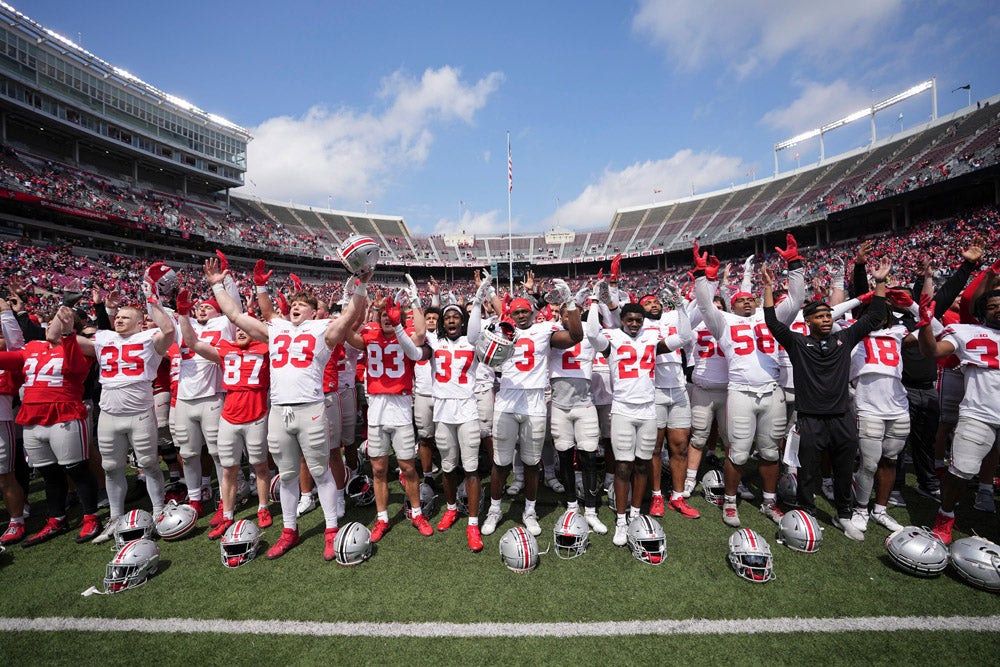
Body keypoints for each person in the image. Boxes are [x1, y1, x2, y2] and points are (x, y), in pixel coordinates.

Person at [205, 258, 364, 560]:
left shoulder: (321, 329)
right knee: (288, 474)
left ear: (314, 312)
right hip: (279, 411)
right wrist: (217, 285)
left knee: (320, 471)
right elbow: (236, 315)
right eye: (293, 304)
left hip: (310, 409)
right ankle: (289, 531)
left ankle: (331, 530)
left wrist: (362, 284)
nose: (295, 307)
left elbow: (349, 316)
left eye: (302, 305)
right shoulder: (275, 328)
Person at [763, 254, 891, 540]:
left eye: (828, 316)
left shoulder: (844, 339)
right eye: (819, 316)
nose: (825, 320)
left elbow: (873, 316)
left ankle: (843, 514)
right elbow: (772, 322)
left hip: (842, 417)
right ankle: (807, 514)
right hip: (810, 419)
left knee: (845, 468)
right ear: (807, 321)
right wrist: (769, 287)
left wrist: (880, 282)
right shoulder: (797, 342)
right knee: (808, 470)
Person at [694, 236, 804, 528]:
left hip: (772, 392)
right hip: (741, 392)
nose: (744, 301)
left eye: (749, 299)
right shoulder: (724, 322)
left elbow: (796, 300)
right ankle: (730, 502)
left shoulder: (770, 317)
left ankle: (769, 501)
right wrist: (706, 278)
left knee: (770, 452)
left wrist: (795, 266)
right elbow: (705, 306)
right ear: (733, 303)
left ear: (757, 301)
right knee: (739, 452)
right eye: (740, 299)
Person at [584, 294, 691, 547]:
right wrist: (592, 302)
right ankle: (621, 519)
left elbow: (684, 338)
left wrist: (683, 307)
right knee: (623, 467)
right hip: (622, 409)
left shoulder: (652, 339)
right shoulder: (612, 338)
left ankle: (634, 513)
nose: (634, 323)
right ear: (622, 320)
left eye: (638, 320)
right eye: (630, 319)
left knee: (643, 465)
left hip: (647, 410)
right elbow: (591, 334)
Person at [481, 279, 583, 538]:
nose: (521, 316)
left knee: (531, 462)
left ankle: (529, 510)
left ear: (532, 312)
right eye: (516, 312)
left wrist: (570, 303)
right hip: (506, 401)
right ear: (510, 315)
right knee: (500, 462)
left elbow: (575, 336)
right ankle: (494, 509)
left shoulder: (544, 330)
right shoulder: (500, 331)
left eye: (525, 311)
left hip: (535, 402)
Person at [0, 306, 102, 545]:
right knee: (48, 473)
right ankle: (57, 518)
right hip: (32, 416)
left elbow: (75, 370)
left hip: (64, 413)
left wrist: (68, 337)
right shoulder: (33, 347)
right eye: (54, 319)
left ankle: (91, 516)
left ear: (71, 326)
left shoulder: (79, 347)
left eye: (62, 319)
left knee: (76, 469)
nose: (53, 324)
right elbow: (7, 359)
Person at [176, 289, 272, 537]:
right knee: (228, 469)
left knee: (259, 466)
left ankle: (263, 507)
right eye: (238, 329)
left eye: (245, 329)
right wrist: (184, 315)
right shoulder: (225, 349)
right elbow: (194, 343)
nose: (240, 331)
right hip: (229, 416)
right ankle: (227, 514)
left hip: (257, 414)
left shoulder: (266, 348)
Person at [918, 258, 1000, 545]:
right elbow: (933, 351)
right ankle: (945, 515)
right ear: (982, 313)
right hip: (980, 413)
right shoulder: (967, 331)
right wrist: (925, 323)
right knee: (961, 471)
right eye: (992, 306)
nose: (999, 308)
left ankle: (985, 494)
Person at [90, 283, 176, 544]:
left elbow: (169, 330)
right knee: (111, 467)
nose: (119, 320)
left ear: (140, 324)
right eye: (118, 317)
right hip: (108, 413)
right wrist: (105, 308)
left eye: (126, 317)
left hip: (139, 412)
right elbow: (76, 336)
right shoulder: (104, 339)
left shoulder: (149, 340)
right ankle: (116, 517)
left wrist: (152, 301)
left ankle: (159, 511)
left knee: (149, 462)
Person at [341, 290, 429, 543]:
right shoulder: (369, 334)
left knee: (408, 467)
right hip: (377, 409)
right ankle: (382, 518)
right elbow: (347, 335)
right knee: (378, 469)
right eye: (383, 315)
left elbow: (421, 336)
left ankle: (416, 512)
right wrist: (356, 306)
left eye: (390, 315)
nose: (386, 318)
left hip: (400, 407)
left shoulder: (406, 336)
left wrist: (412, 306)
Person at [424, 299, 484, 550]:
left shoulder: (474, 341)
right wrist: (418, 304)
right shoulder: (433, 341)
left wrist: (479, 302)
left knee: (471, 468)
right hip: (443, 411)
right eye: (447, 317)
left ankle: (472, 523)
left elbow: (479, 333)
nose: (451, 320)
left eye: (456, 317)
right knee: (448, 467)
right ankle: (450, 509)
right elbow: (416, 345)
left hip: (468, 409)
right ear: (441, 322)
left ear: (463, 321)